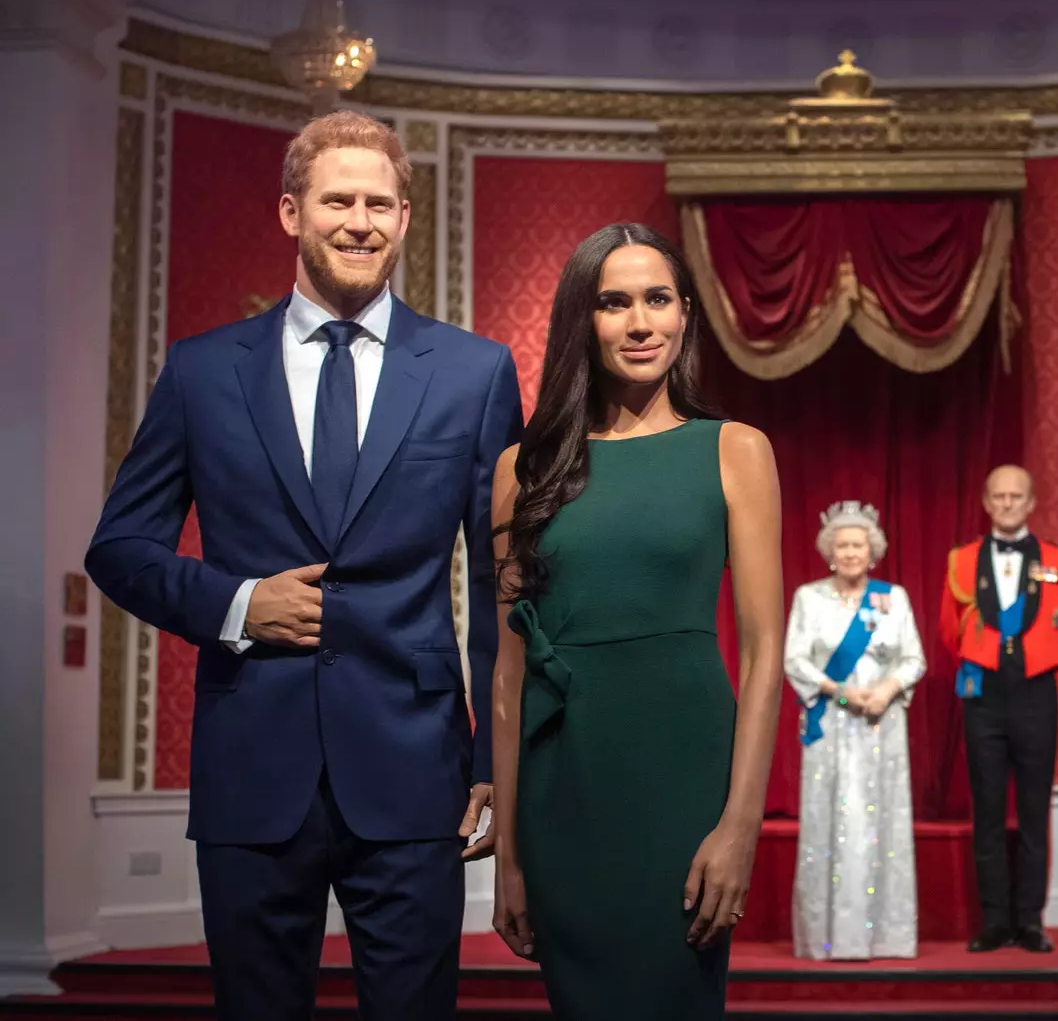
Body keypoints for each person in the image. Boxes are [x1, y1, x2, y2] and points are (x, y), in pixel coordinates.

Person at [84, 111, 523, 1019]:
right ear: (292, 213)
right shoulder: (202, 372)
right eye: (337, 200)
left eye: (379, 203)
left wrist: (493, 754)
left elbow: (494, 581)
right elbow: (119, 548)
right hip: (252, 765)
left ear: (405, 217)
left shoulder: (474, 374)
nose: (359, 221)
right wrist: (240, 602)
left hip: (416, 767)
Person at [488, 223, 784, 1017]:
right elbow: (509, 674)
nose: (640, 322)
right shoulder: (523, 467)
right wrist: (508, 857)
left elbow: (763, 654)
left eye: (657, 299)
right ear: (583, 319)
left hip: (686, 788)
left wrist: (741, 825)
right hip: (563, 795)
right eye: (614, 303)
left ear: (687, 313)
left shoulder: (737, 450)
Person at [938, 464, 1058, 953]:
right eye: (998, 496)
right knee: (986, 811)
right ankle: (995, 920)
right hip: (983, 696)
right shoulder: (961, 561)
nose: (1006, 504)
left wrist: (1047, 668)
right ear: (986, 501)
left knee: (1032, 811)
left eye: (1015, 496)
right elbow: (947, 628)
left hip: (1035, 693)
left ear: (1030, 503)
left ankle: (1030, 920)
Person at [785, 501, 926, 960]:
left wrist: (885, 689)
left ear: (873, 551)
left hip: (881, 724)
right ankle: (829, 937)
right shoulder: (809, 597)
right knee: (833, 821)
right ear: (830, 550)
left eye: (858, 544)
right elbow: (795, 660)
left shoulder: (893, 597)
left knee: (878, 821)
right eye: (842, 544)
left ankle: (886, 936)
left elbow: (913, 659)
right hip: (831, 723)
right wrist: (841, 692)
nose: (850, 552)